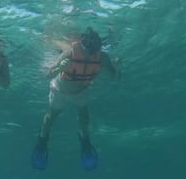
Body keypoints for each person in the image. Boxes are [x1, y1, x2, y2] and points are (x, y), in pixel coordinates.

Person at [31, 27, 121, 170]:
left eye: (94, 43)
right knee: (50, 117)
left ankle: (85, 142)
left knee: (84, 118)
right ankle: (42, 140)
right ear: (81, 42)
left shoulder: (102, 57)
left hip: (81, 91)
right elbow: (48, 75)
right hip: (59, 89)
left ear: (99, 44)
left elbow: (114, 79)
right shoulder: (70, 53)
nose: (90, 46)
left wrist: (117, 69)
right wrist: (59, 68)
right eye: (87, 42)